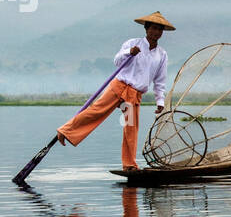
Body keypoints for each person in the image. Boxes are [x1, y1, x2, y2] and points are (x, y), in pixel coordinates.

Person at [57, 11, 175, 169]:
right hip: (119, 86)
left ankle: (129, 164)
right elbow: (117, 61)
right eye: (153, 28)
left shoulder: (161, 54)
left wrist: (159, 100)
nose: (156, 32)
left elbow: (160, 80)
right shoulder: (133, 43)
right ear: (146, 29)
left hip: (134, 95)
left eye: (160, 29)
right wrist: (129, 53)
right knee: (97, 111)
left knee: (131, 128)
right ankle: (66, 130)